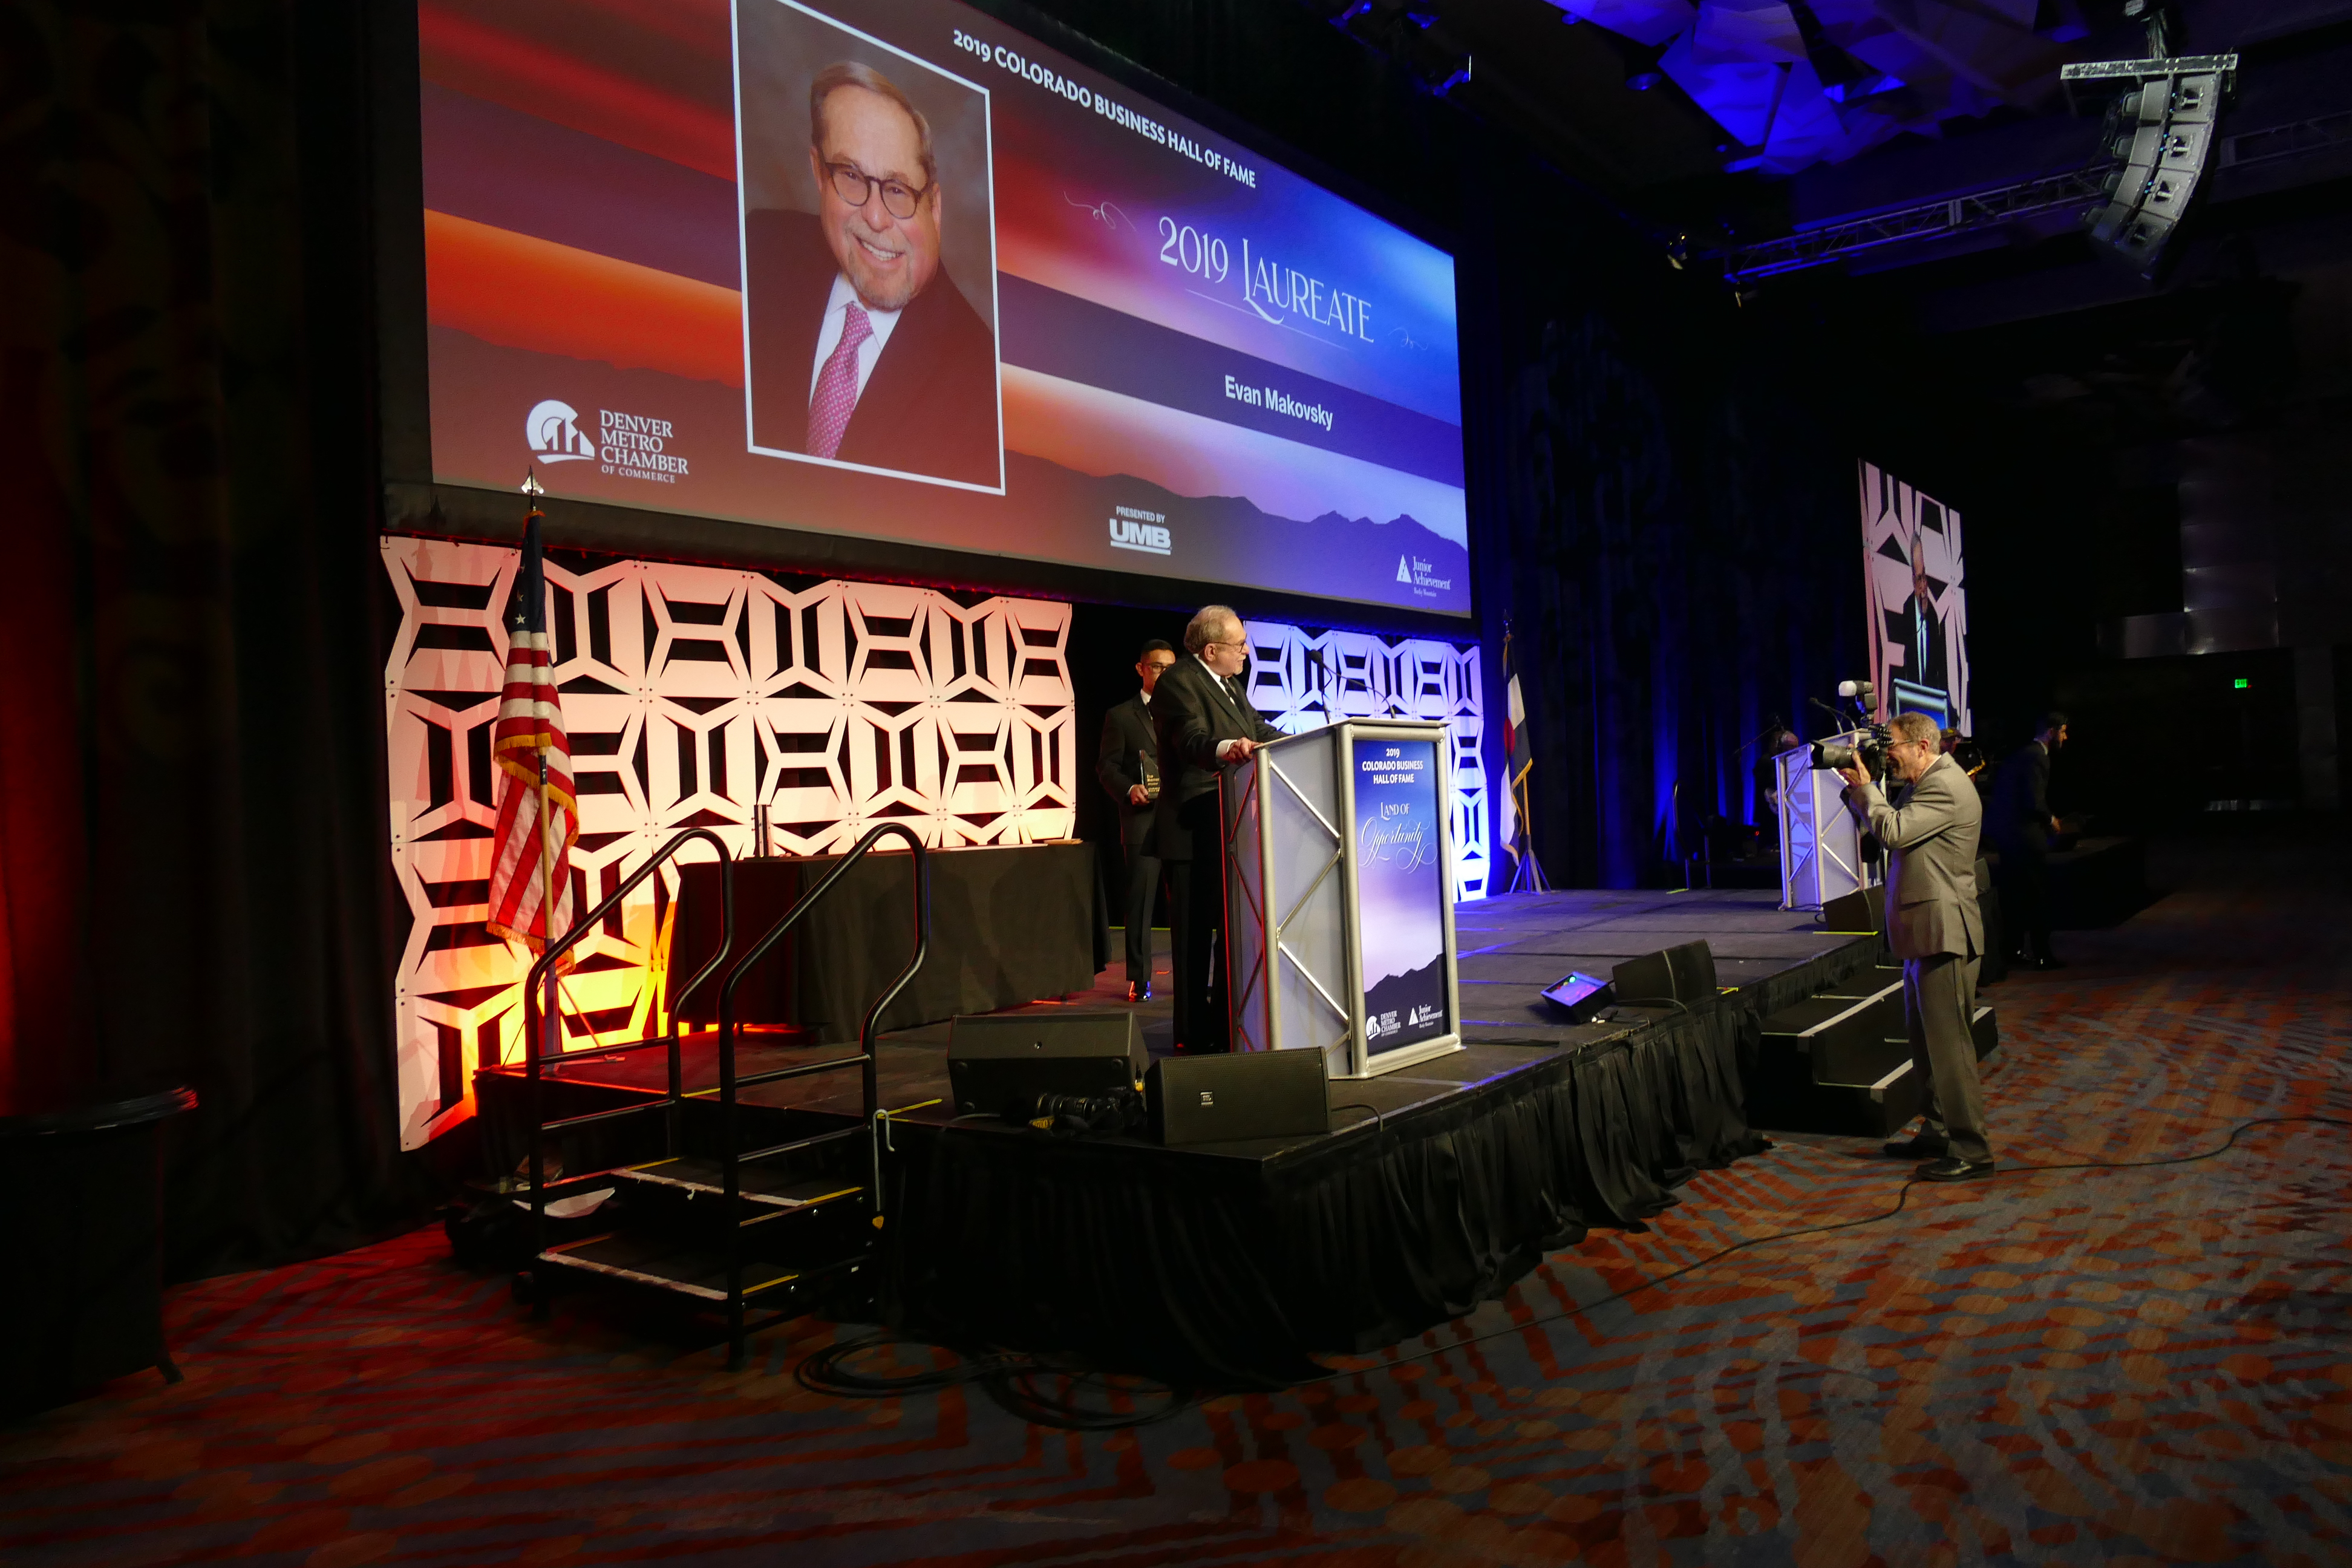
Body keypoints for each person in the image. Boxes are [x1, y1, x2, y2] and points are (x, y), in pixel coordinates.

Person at [743, 62, 999, 488]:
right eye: (851, 176)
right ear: (818, 173)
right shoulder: (758, 250)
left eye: (898, 190)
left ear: (934, 208)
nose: (876, 218)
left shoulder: (984, 385)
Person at [1835, 711, 1994, 1181]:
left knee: (1951, 1049)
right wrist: (1860, 790)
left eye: (1895, 747)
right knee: (1926, 1044)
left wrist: (1869, 791)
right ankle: (1939, 1131)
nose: (1889, 756)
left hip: (1944, 932)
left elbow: (1894, 832)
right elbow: (1884, 831)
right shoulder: (1922, 784)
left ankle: (1972, 1149)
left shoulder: (1945, 785)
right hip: (1924, 932)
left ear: (1923, 746)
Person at [1152, 606, 1283, 1053]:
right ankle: (1192, 1039)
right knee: (1193, 943)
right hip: (1191, 831)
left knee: (1233, 935)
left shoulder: (1230, 684)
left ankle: (1228, 1027)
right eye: (1239, 645)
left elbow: (1258, 728)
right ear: (1211, 650)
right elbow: (1190, 740)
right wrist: (1230, 748)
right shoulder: (1178, 682)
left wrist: (1304, 740)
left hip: (1229, 828)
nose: (1246, 652)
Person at [1096, 639, 1176, 1002]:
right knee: (1141, 903)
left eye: (1171, 668)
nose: (1165, 674)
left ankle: (1188, 978)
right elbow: (1106, 767)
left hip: (1181, 820)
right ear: (1141, 669)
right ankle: (1139, 978)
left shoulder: (1185, 712)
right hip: (1143, 822)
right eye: (1158, 667)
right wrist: (1129, 789)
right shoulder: (1122, 715)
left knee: (1186, 904)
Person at [1987, 712, 2068, 970]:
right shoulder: (2037, 756)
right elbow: (2033, 800)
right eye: (2064, 731)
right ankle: (2042, 955)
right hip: (2025, 839)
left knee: (2016, 897)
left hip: (2010, 839)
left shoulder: (2023, 754)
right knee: (2037, 897)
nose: (2066, 737)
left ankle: (2014, 951)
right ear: (2052, 732)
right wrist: (2052, 820)